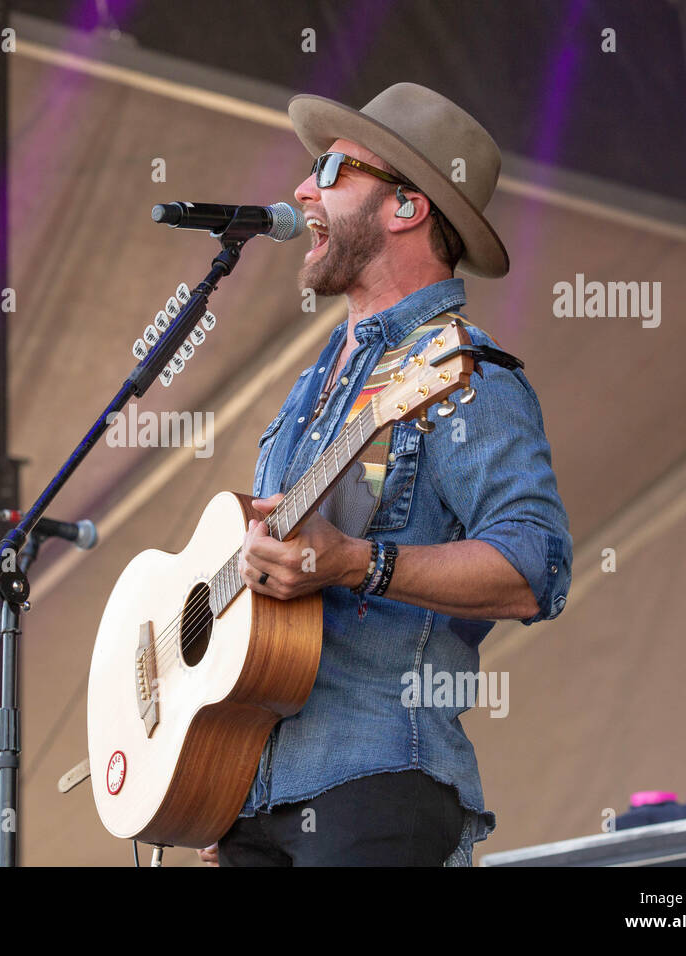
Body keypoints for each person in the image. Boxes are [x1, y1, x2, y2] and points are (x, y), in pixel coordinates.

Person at [206, 83, 572, 866]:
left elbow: (536, 566)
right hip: (254, 800)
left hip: (375, 787)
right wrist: (217, 782)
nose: (302, 187)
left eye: (332, 168)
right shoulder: (313, 387)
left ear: (406, 208)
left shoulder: (465, 374)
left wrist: (358, 563)